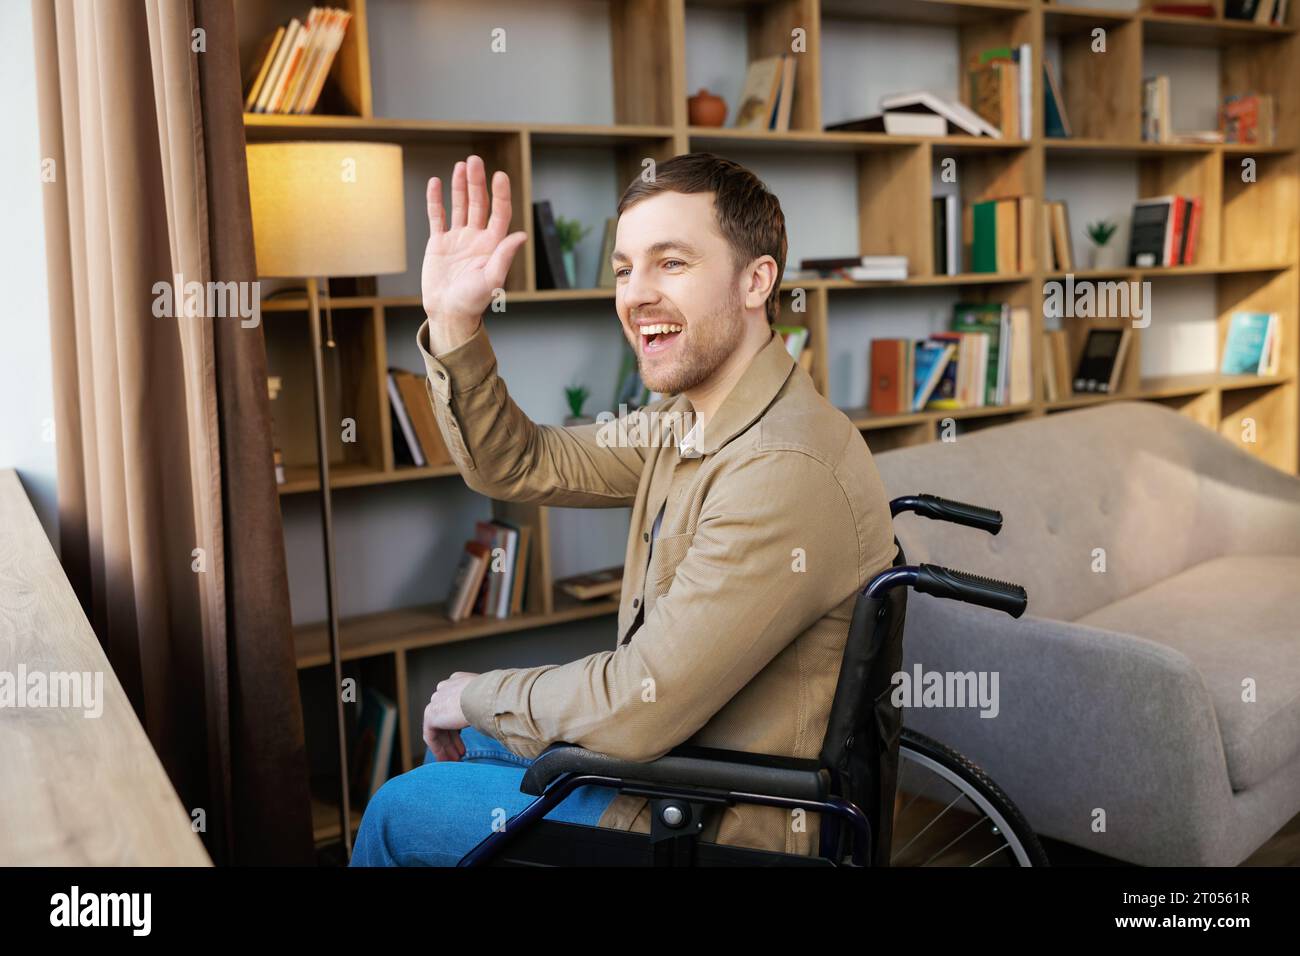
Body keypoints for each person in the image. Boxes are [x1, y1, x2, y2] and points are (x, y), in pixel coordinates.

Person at [350, 151, 896, 866]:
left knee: (398, 810)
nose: (636, 295)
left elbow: (642, 704)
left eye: (671, 263)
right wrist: (453, 322)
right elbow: (522, 462)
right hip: (669, 764)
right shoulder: (690, 420)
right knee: (462, 754)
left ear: (755, 280)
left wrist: (482, 691)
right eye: (624, 268)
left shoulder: (779, 466)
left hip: (703, 815)